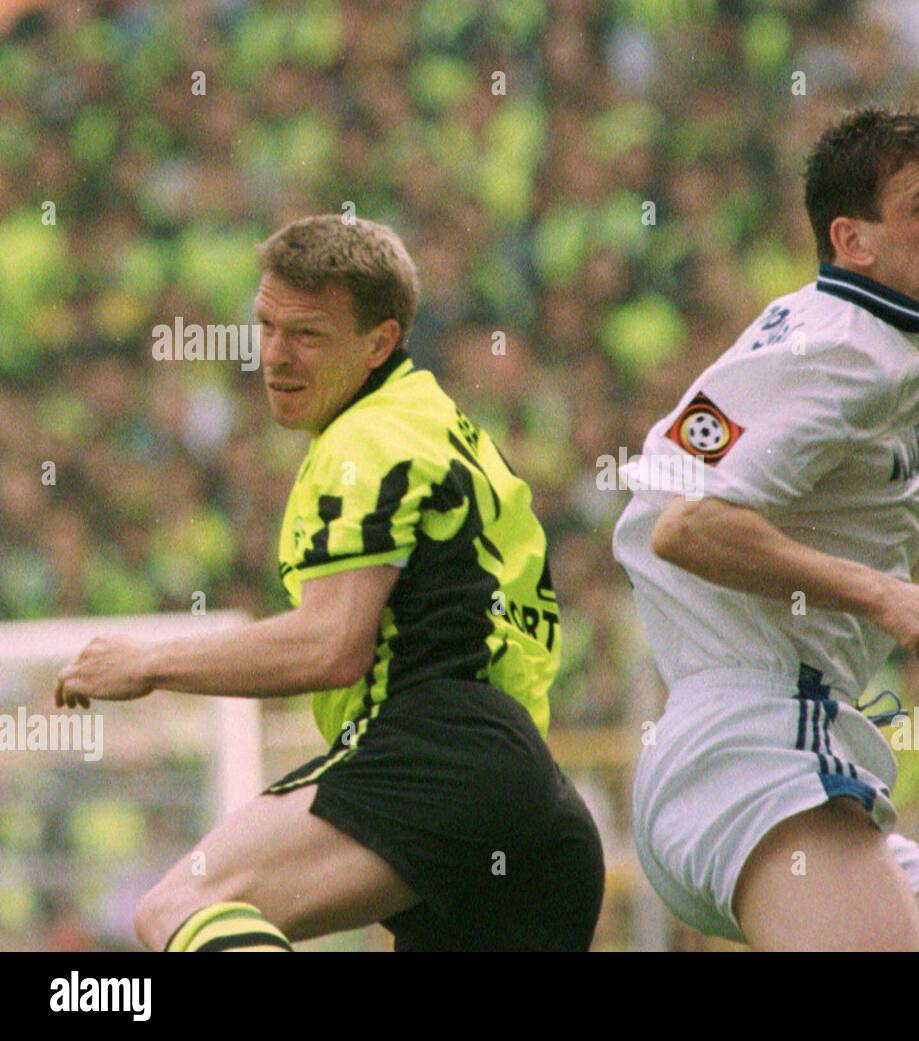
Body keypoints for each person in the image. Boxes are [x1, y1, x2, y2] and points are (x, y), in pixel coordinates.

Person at [55, 215, 604, 951]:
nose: (275, 356)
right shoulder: (442, 425)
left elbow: (331, 644)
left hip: (437, 751)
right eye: (266, 327)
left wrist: (150, 663)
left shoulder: (364, 440)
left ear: (379, 341)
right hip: (535, 807)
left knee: (180, 904)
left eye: (307, 334)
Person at [612, 107, 919, 951]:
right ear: (852, 240)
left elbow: (669, 496)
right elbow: (688, 527)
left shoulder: (825, 328)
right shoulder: (848, 352)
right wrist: (886, 594)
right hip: (761, 751)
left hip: (737, 749)